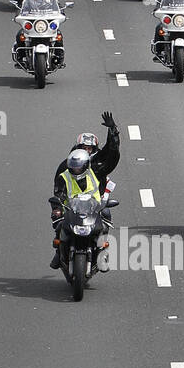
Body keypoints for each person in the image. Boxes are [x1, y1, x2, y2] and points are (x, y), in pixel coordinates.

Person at [49, 115, 120, 268]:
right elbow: (58, 190)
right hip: (71, 207)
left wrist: (113, 131)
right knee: (59, 223)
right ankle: (58, 252)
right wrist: (58, 207)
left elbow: (113, 154)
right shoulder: (66, 166)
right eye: (84, 148)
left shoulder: (97, 167)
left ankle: (102, 253)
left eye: (90, 149)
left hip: (93, 206)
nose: (87, 151)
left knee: (106, 217)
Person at [12, 0, 66, 69]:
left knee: (58, 35)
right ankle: (20, 58)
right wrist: (18, 13)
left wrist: (62, 11)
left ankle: (59, 58)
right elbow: (21, 7)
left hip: (46, 25)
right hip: (33, 24)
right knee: (20, 35)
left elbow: (59, 6)